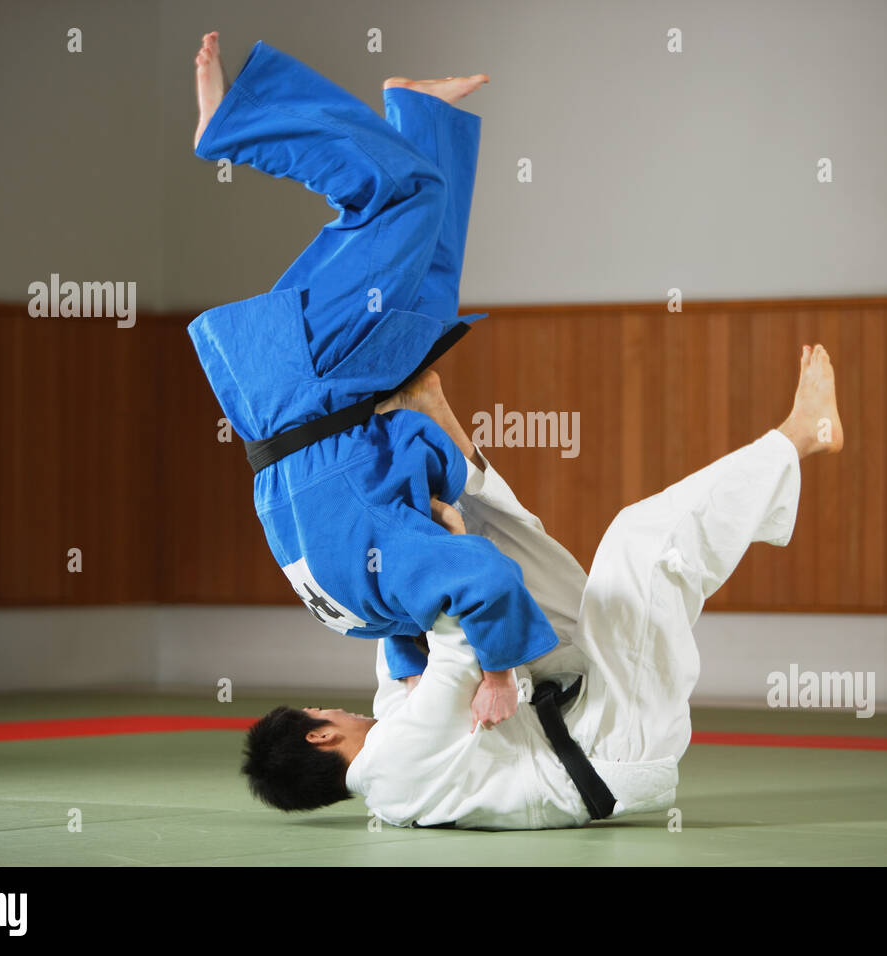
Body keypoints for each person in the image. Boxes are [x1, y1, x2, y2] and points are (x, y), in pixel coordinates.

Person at [242, 345, 845, 829]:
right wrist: (435, 549)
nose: (332, 707)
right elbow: (455, 649)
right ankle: (799, 438)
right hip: (612, 744)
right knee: (640, 542)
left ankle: (444, 429)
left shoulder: (389, 750)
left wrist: (401, 544)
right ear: (319, 735)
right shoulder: (395, 764)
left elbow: (405, 632)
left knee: (497, 554)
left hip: (565, 697)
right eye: (321, 712)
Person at [186, 34, 559, 727]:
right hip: (316, 408)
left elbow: (488, 577)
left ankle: (233, 125)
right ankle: (422, 117)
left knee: (405, 200)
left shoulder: (388, 590)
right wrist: (415, 678)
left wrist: (501, 676)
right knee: (426, 299)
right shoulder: (355, 612)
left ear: (323, 738)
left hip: (312, 382)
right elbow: (397, 597)